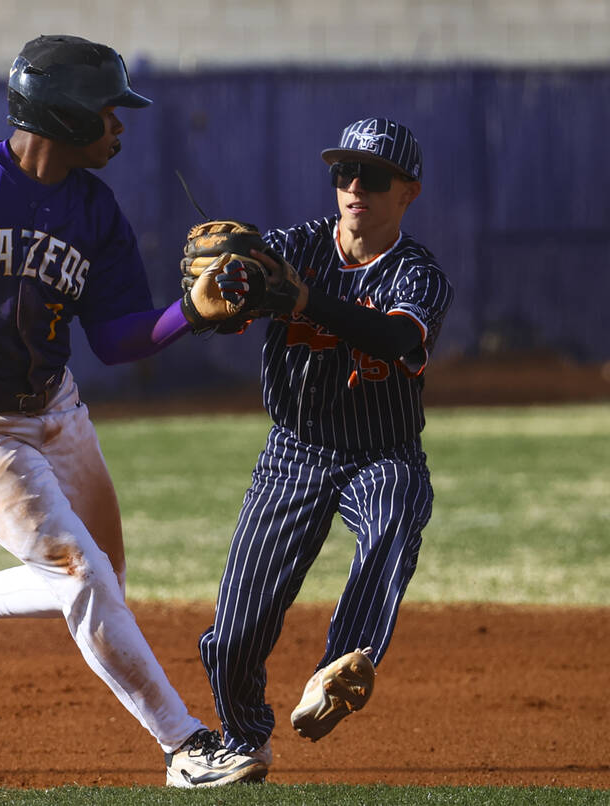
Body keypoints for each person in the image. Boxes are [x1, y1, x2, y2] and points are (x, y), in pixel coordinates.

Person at [0, 34, 266, 788]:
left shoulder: (95, 212)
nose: (121, 125)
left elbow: (116, 340)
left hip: (54, 405)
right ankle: (184, 746)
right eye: (111, 110)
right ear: (68, 111)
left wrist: (189, 313)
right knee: (80, 571)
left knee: (100, 572)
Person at [196, 117, 455, 770]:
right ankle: (244, 739)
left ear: (408, 192)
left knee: (396, 504)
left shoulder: (417, 275)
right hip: (295, 451)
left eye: (372, 175)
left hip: (381, 451)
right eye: (345, 172)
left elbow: (395, 339)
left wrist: (305, 300)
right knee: (232, 638)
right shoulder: (297, 249)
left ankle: (341, 666)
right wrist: (219, 289)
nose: (354, 186)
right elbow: (232, 298)